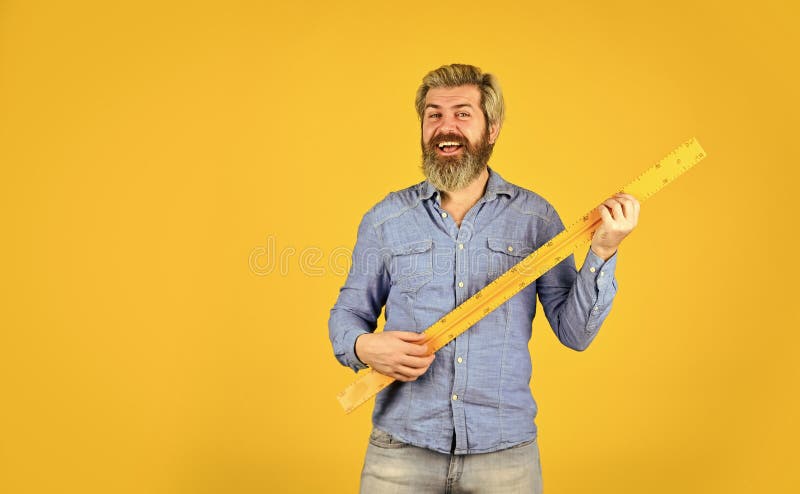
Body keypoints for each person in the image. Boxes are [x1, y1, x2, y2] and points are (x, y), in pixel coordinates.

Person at [328, 64, 639, 493]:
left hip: (504, 456)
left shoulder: (535, 218)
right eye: (434, 114)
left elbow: (575, 332)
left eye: (462, 113)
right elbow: (347, 315)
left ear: (491, 130)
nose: (445, 126)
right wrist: (365, 345)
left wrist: (603, 252)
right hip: (400, 451)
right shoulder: (386, 219)